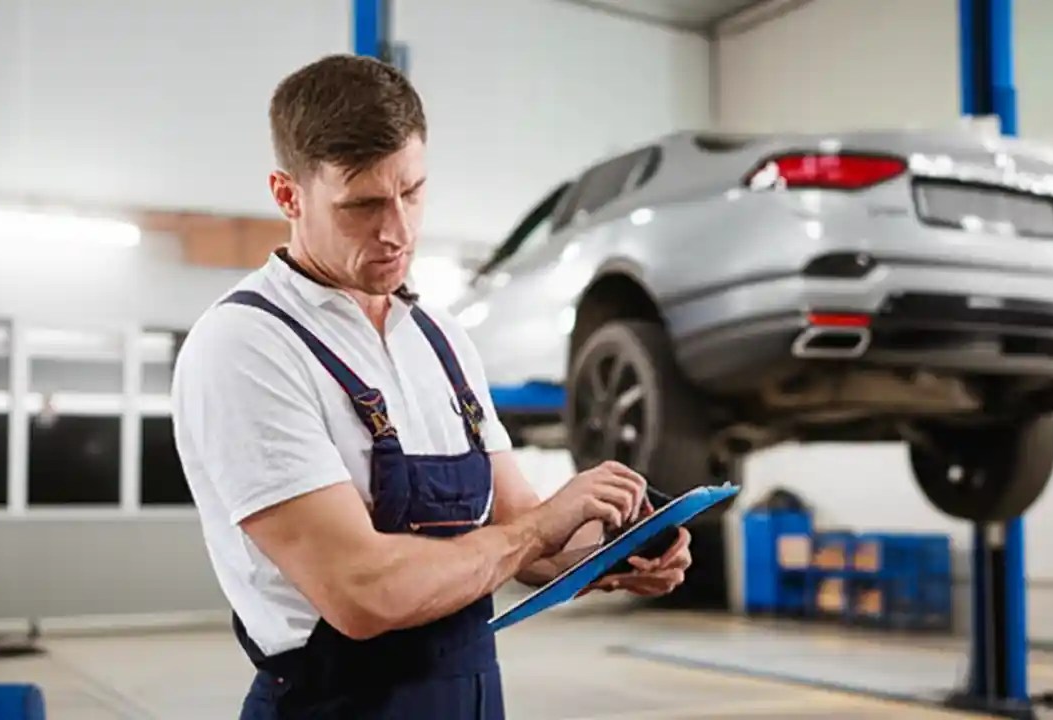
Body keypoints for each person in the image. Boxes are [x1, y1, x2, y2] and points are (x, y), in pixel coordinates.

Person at [171, 54, 692, 720]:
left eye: (412, 192)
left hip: (470, 699)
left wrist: (609, 558)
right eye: (362, 205)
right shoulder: (246, 347)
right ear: (287, 195)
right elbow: (362, 593)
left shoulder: (439, 340)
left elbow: (523, 541)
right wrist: (538, 528)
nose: (398, 231)